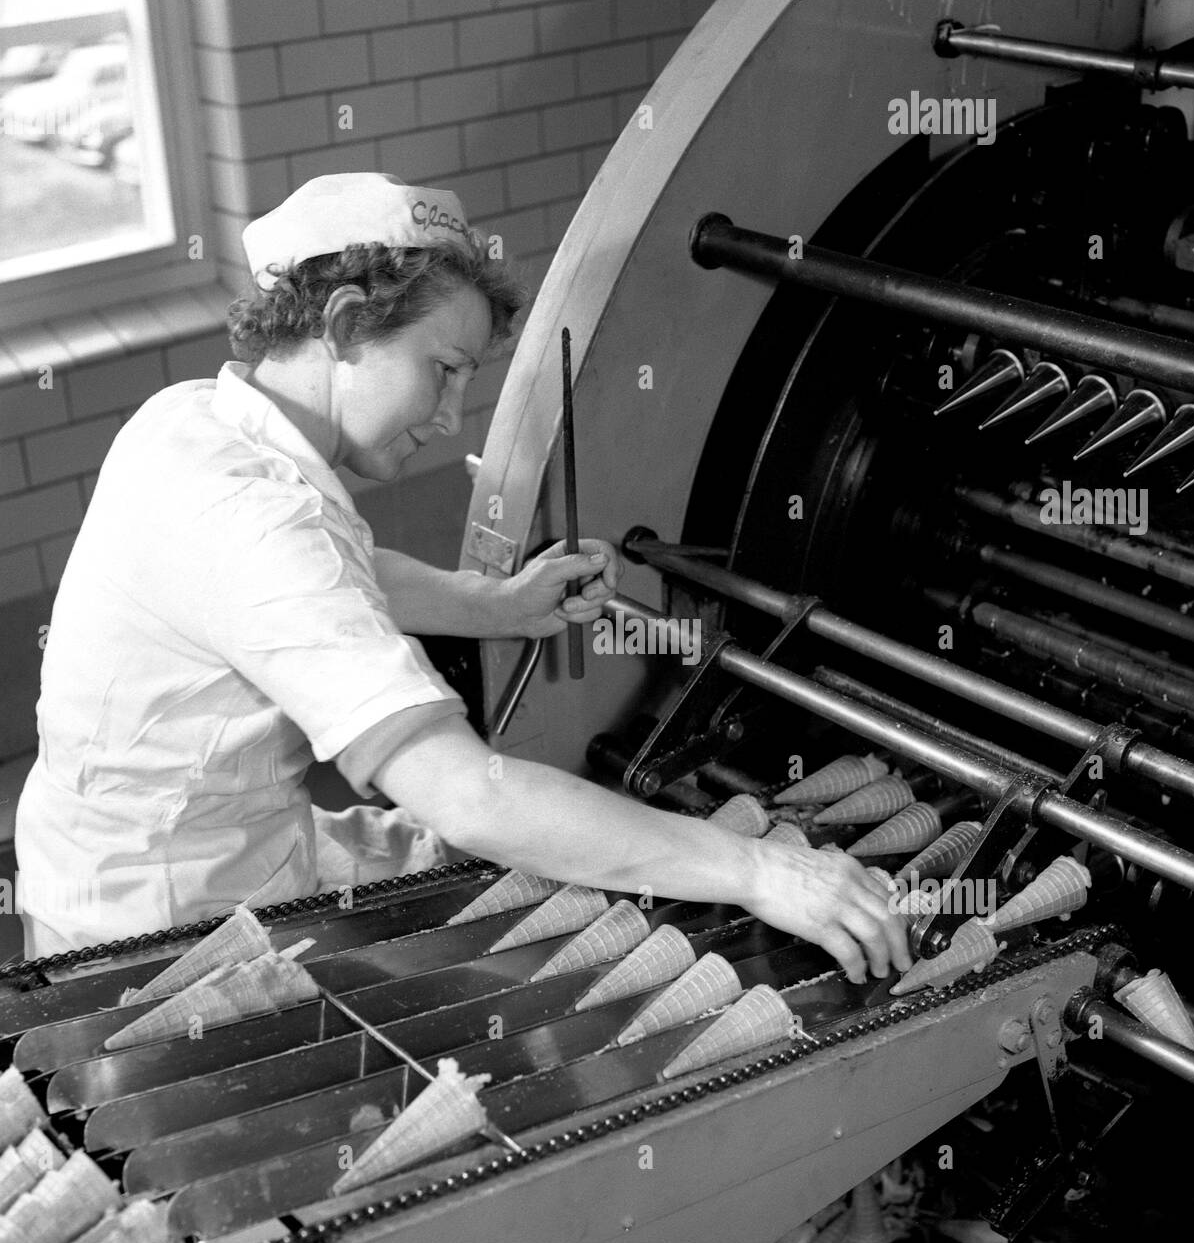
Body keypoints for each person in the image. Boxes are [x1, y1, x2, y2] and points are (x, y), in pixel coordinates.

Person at [14, 173, 909, 983]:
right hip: (156, 933)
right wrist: (754, 869)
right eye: (442, 373)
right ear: (343, 325)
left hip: (165, 847)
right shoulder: (253, 521)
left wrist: (500, 606)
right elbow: (469, 796)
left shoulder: (196, 421)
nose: (447, 420)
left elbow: (338, 573)